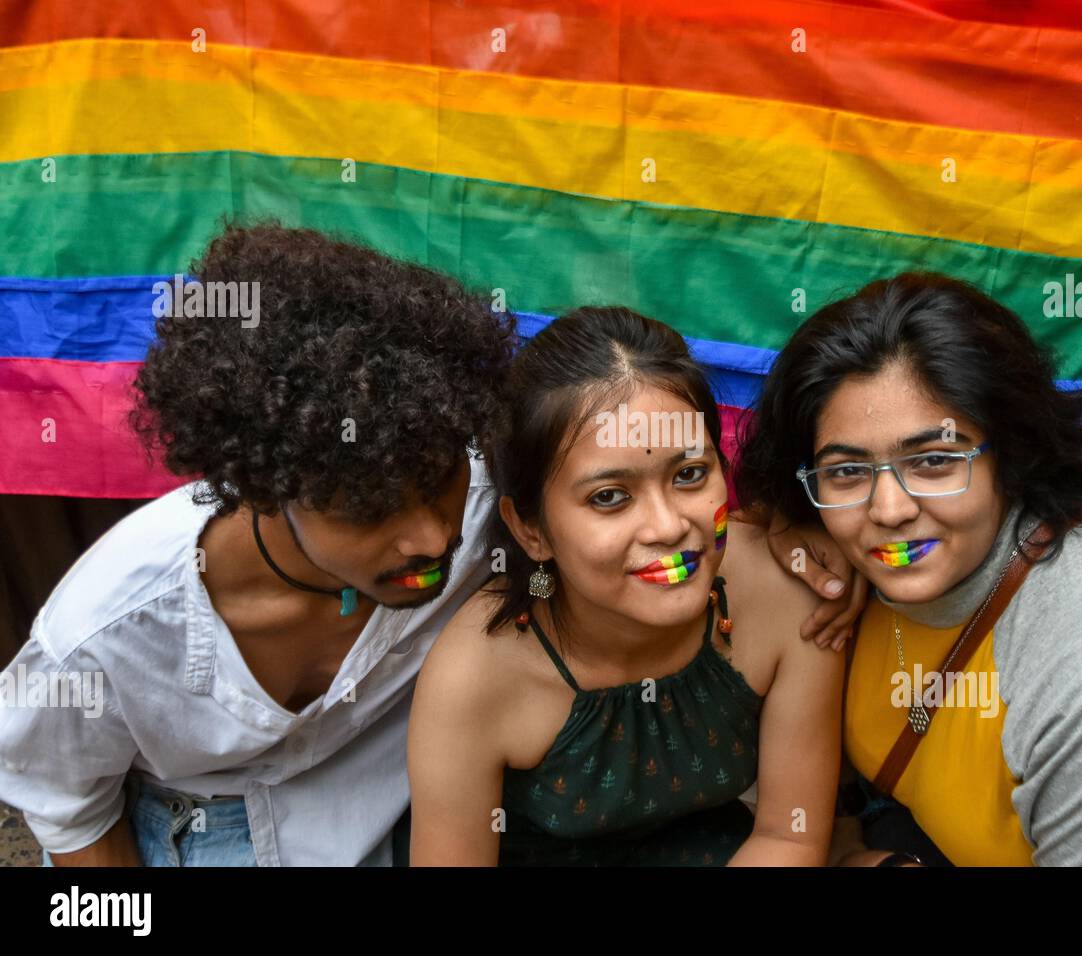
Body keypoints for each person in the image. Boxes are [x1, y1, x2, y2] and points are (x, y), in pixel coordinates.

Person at [736, 272, 1082, 865]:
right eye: (847, 471)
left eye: (933, 461)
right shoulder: (848, 560)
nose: (889, 510)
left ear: (1010, 455)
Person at [0, 222, 516, 865]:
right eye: (370, 509)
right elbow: (66, 809)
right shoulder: (105, 632)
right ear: (264, 487)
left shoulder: (491, 509)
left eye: (441, 480)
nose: (435, 535)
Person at [408, 307, 845, 865]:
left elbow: (789, 835)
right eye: (609, 497)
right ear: (531, 530)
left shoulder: (791, 596)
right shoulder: (474, 676)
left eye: (689, 474)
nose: (668, 526)